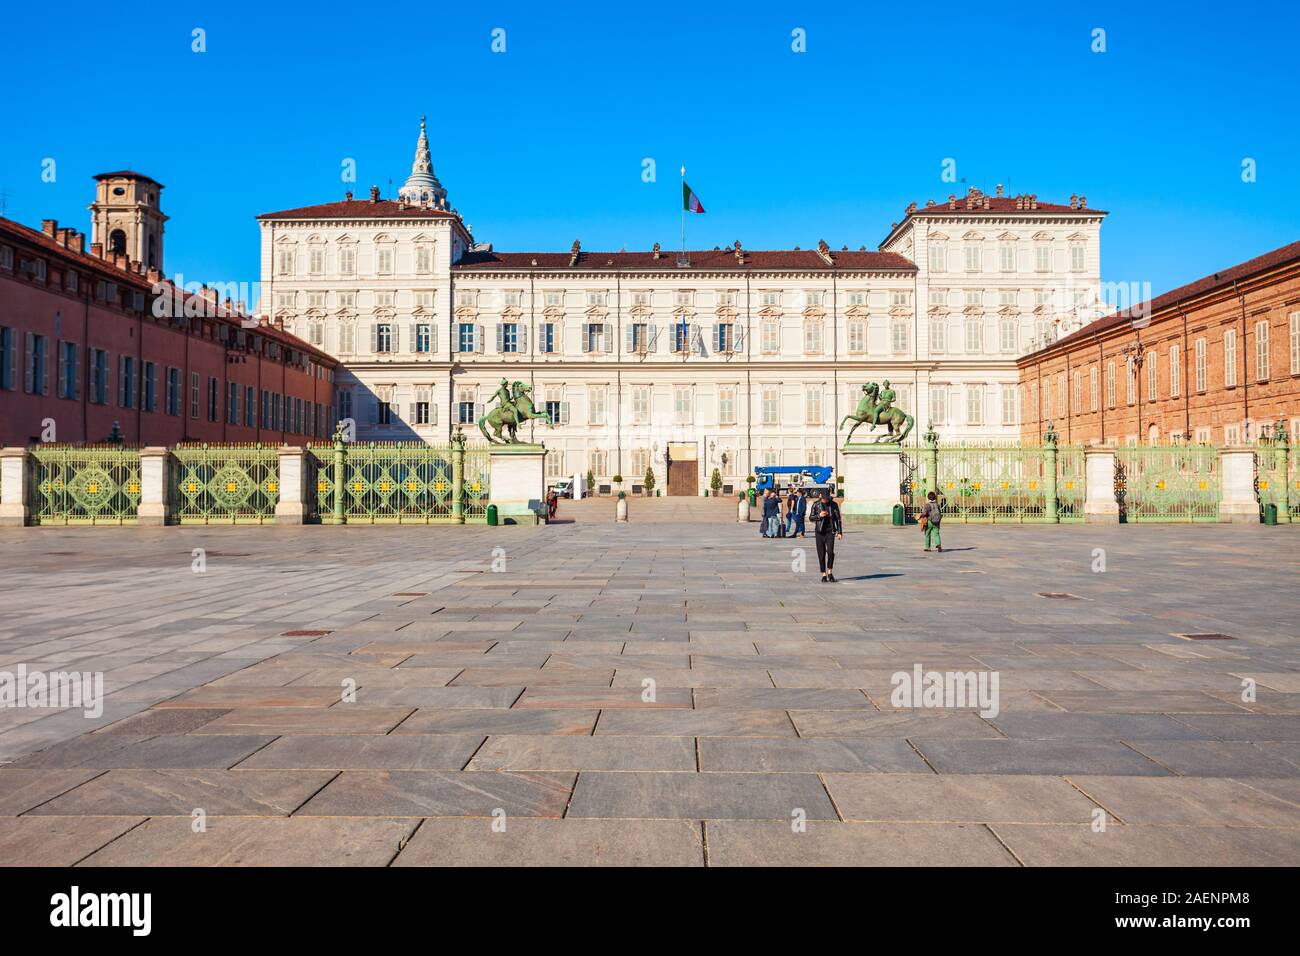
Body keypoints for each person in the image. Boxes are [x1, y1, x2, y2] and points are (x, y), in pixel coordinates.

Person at [808, 488, 843, 582]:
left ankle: (830, 572)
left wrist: (840, 532)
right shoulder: (816, 505)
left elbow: (838, 519)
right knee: (821, 554)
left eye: (827, 498)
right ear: (820, 496)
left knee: (830, 552)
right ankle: (824, 574)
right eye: (824, 498)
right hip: (819, 532)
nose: (825, 500)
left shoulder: (833, 505)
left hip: (830, 531)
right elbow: (811, 518)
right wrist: (819, 516)